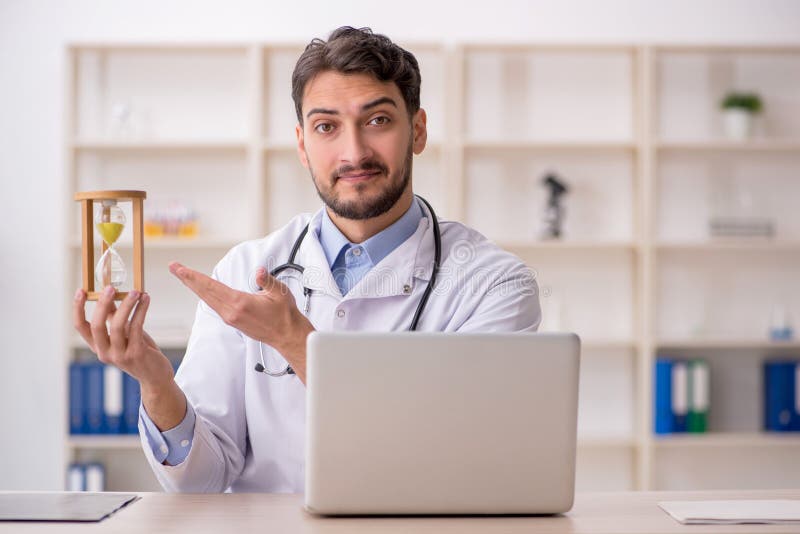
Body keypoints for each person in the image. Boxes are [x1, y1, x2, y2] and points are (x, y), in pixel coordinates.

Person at [73, 26, 542, 493]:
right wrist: (157, 384)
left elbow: (459, 468)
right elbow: (201, 482)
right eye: (326, 127)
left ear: (417, 130)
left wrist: (293, 340)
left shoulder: (492, 284)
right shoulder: (244, 270)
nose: (354, 152)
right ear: (302, 144)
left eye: (378, 120)